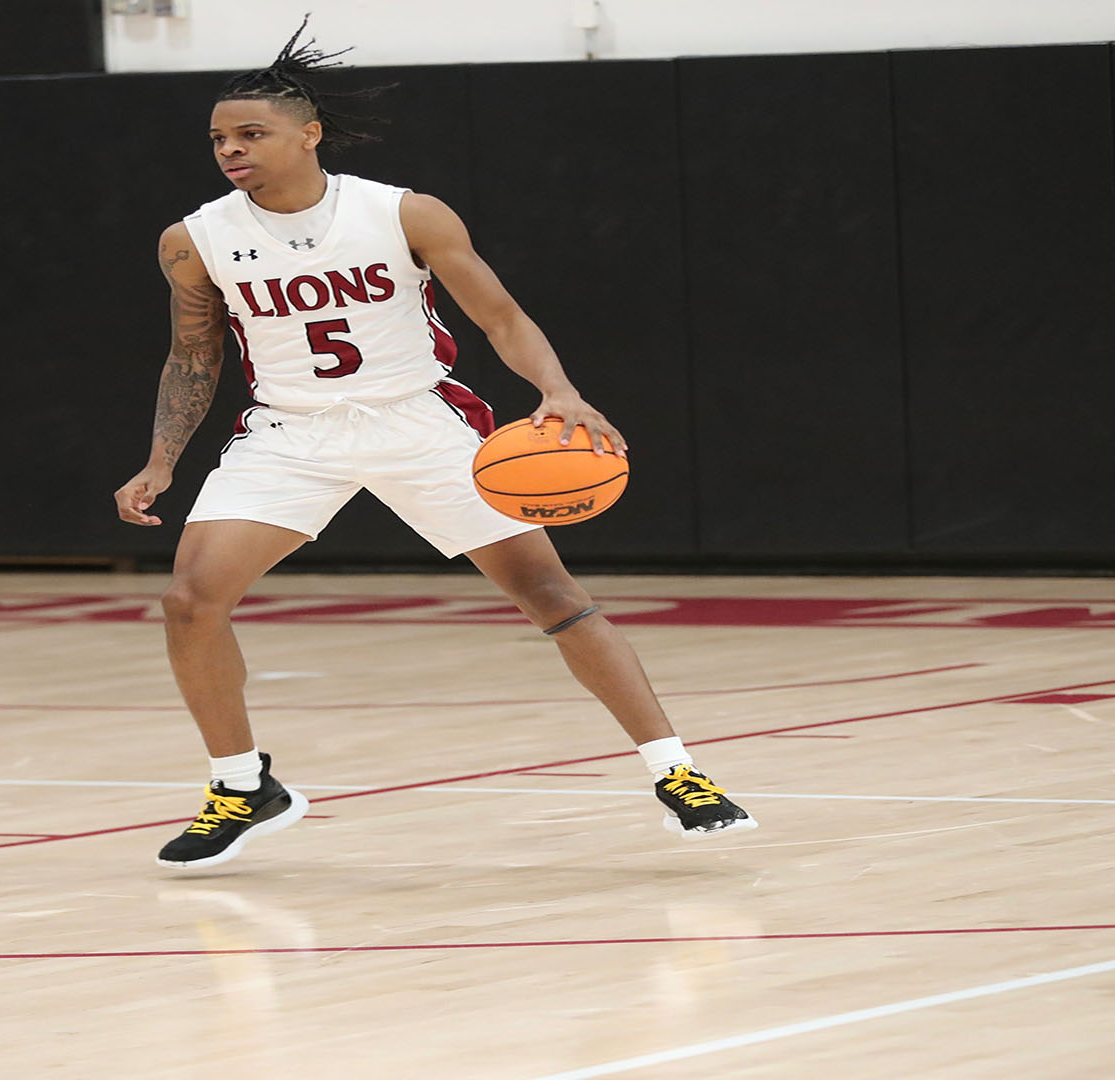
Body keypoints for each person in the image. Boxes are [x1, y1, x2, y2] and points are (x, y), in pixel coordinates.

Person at [112, 26, 755, 870]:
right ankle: (242, 787)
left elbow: (500, 317)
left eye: (250, 134)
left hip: (417, 420)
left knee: (552, 596)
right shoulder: (193, 238)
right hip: (292, 430)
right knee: (191, 601)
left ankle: (680, 775)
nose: (231, 150)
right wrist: (163, 459)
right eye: (220, 139)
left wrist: (556, 390)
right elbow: (194, 354)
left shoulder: (402, 212)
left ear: (308, 134)